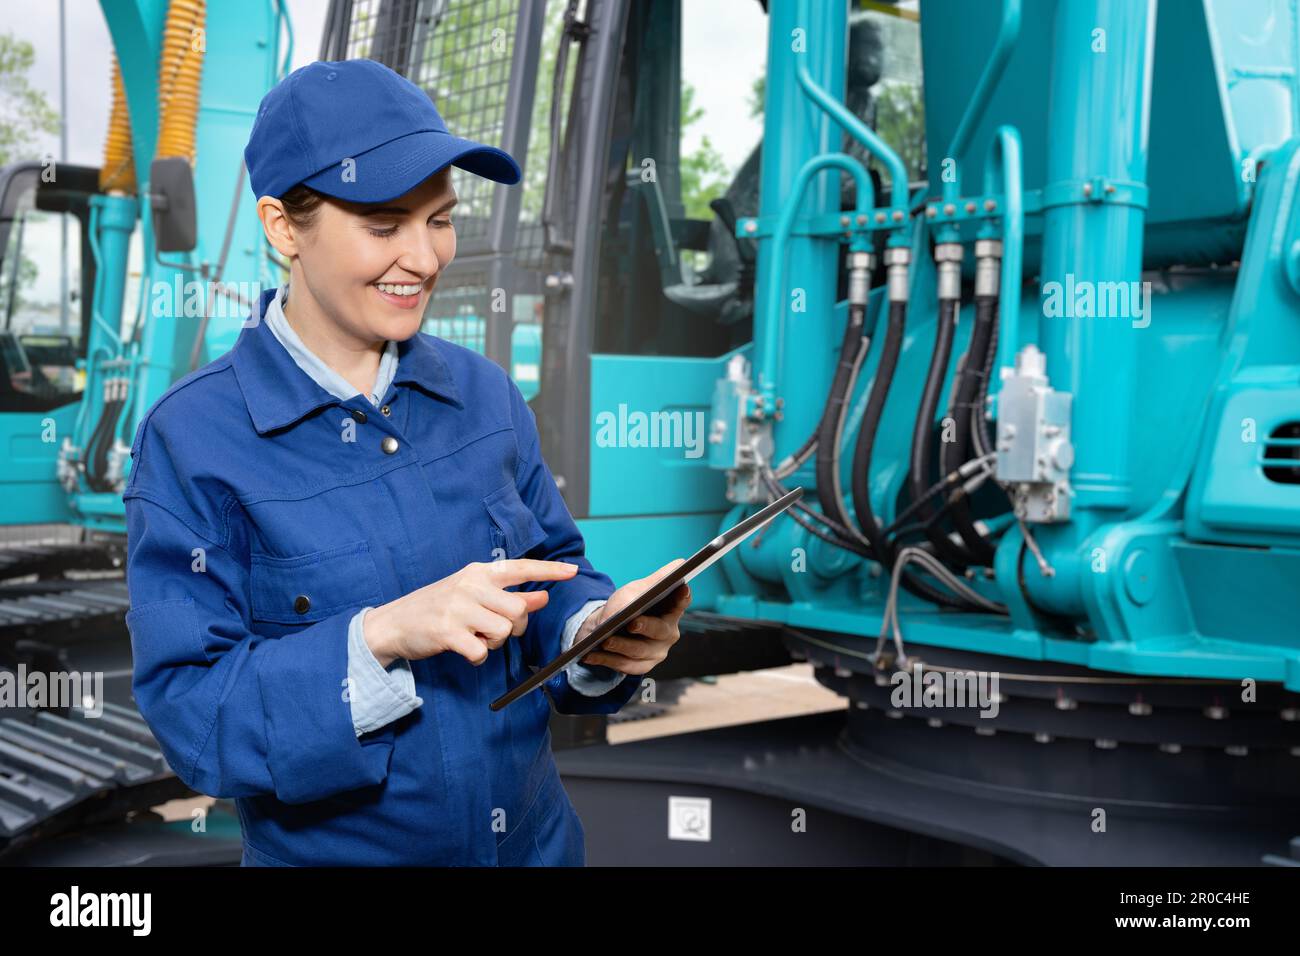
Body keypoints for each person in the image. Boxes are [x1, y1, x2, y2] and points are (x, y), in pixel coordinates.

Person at [121, 58, 690, 866]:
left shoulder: (486, 397)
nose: (424, 259)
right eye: (385, 225)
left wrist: (596, 634)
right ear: (283, 227)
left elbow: (555, 574)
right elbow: (195, 717)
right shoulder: (194, 441)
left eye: (441, 220)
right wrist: (382, 636)